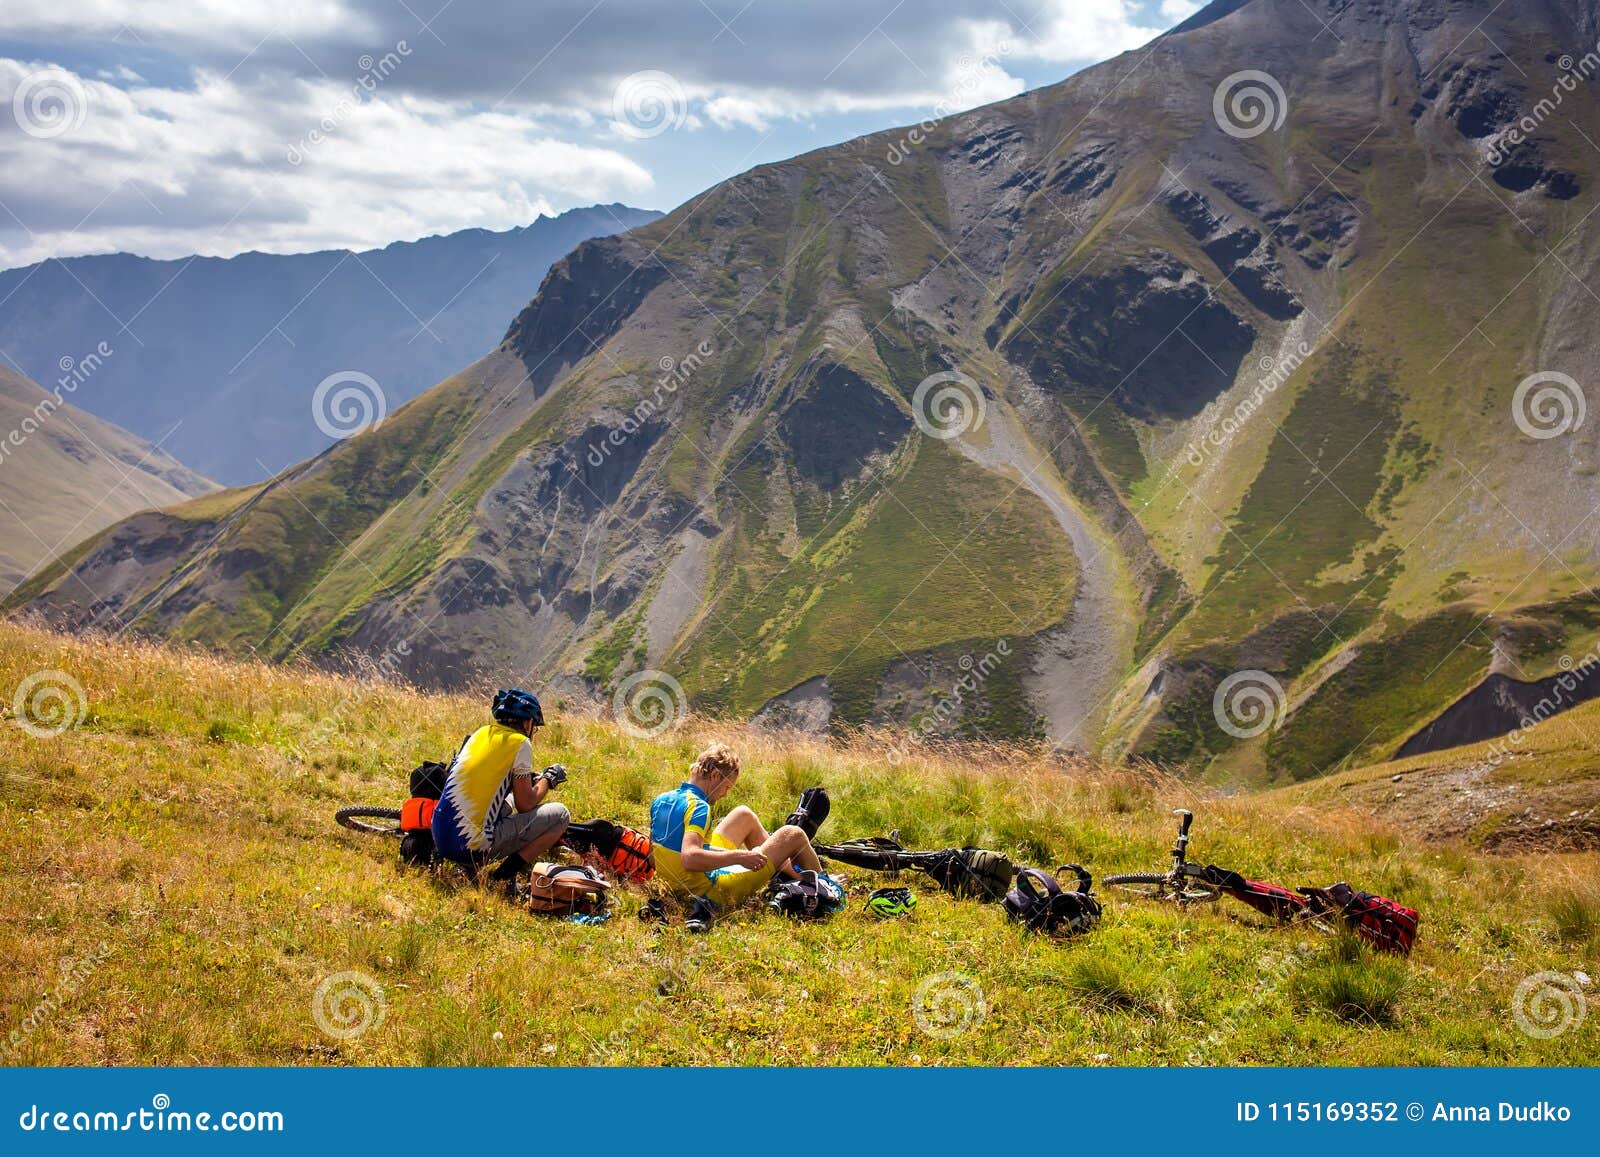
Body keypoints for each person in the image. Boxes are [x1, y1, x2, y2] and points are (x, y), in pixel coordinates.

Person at [649, 743, 823, 919]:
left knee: (743, 814)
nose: (725, 795)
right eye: (726, 787)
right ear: (715, 775)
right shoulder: (699, 807)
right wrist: (739, 857)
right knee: (793, 834)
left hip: (678, 886)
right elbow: (690, 858)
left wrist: (726, 856)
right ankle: (825, 885)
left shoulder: (661, 799)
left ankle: (791, 873)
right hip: (711, 892)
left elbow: (653, 855)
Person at [430, 687, 570, 882]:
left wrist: (525, 779)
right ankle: (502, 878)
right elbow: (526, 805)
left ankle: (471, 865)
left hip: (440, 836)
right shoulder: (520, 743)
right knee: (561, 815)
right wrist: (549, 779)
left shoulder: (480, 734)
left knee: (509, 799)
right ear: (528, 723)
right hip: (470, 846)